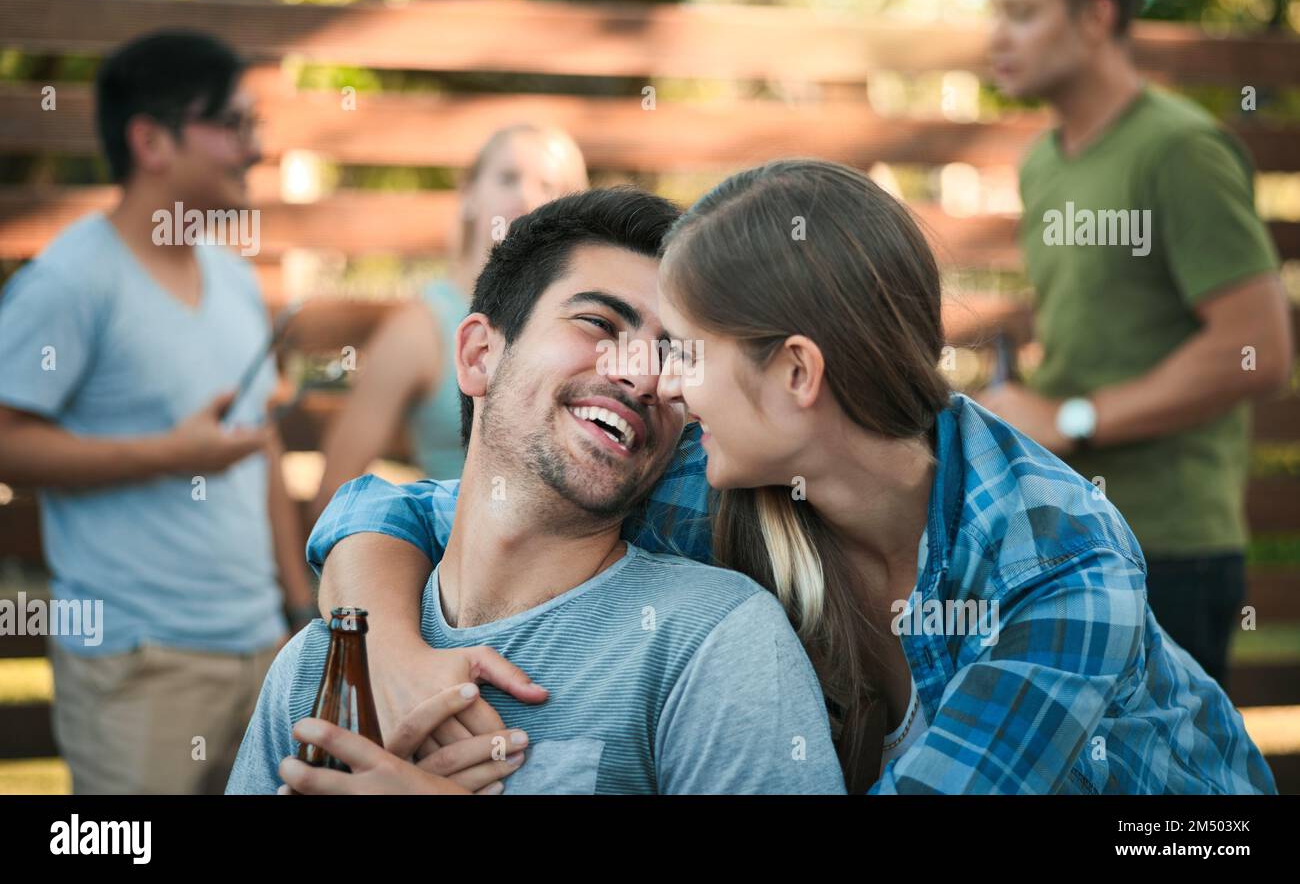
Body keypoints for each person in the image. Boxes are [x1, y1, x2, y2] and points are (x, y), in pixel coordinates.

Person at [311, 159, 1276, 794]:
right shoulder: (725, 477)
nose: (652, 378)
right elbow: (406, 506)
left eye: (683, 348)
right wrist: (387, 645)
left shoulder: (1060, 566)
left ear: (798, 374)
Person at [227, 187, 847, 795]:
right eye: (600, 323)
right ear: (478, 355)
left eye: (673, 355)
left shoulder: (715, 643)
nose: (643, 375)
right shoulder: (324, 664)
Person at [978, 0, 1293, 687]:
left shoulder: (1179, 150)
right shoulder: (1043, 163)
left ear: (1096, 16)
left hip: (1170, 554)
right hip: (1070, 542)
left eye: (1021, 12)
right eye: (996, 11)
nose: (996, 36)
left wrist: (1074, 417)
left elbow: (1261, 347)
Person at [0, 31, 313, 793]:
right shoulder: (72, 280)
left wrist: (298, 609)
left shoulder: (234, 281)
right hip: (141, 666)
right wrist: (171, 454)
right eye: (234, 125)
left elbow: (256, 443)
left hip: (261, 654)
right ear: (151, 140)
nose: (256, 147)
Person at [309, 125, 587, 520]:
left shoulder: (589, 327)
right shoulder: (422, 327)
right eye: (508, 178)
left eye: (549, 185)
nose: (525, 197)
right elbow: (333, 497)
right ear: (469, 196)